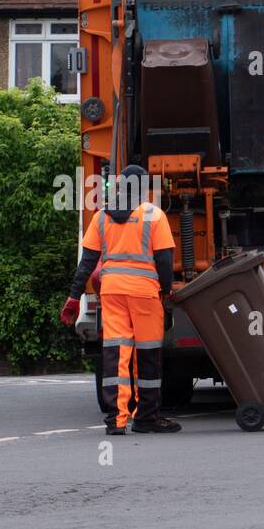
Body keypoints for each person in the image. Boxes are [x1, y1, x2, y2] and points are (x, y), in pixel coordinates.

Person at [60, 165, 181, 434]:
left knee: (116, 354)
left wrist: (73, 296)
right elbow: (164, 259)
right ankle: (147, 418)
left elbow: (87, 262)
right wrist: (166, 289)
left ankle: (116, 420)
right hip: (145, 294)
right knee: (147, 354)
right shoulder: (154, 215)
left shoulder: (102, 217)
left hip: (112, 292)